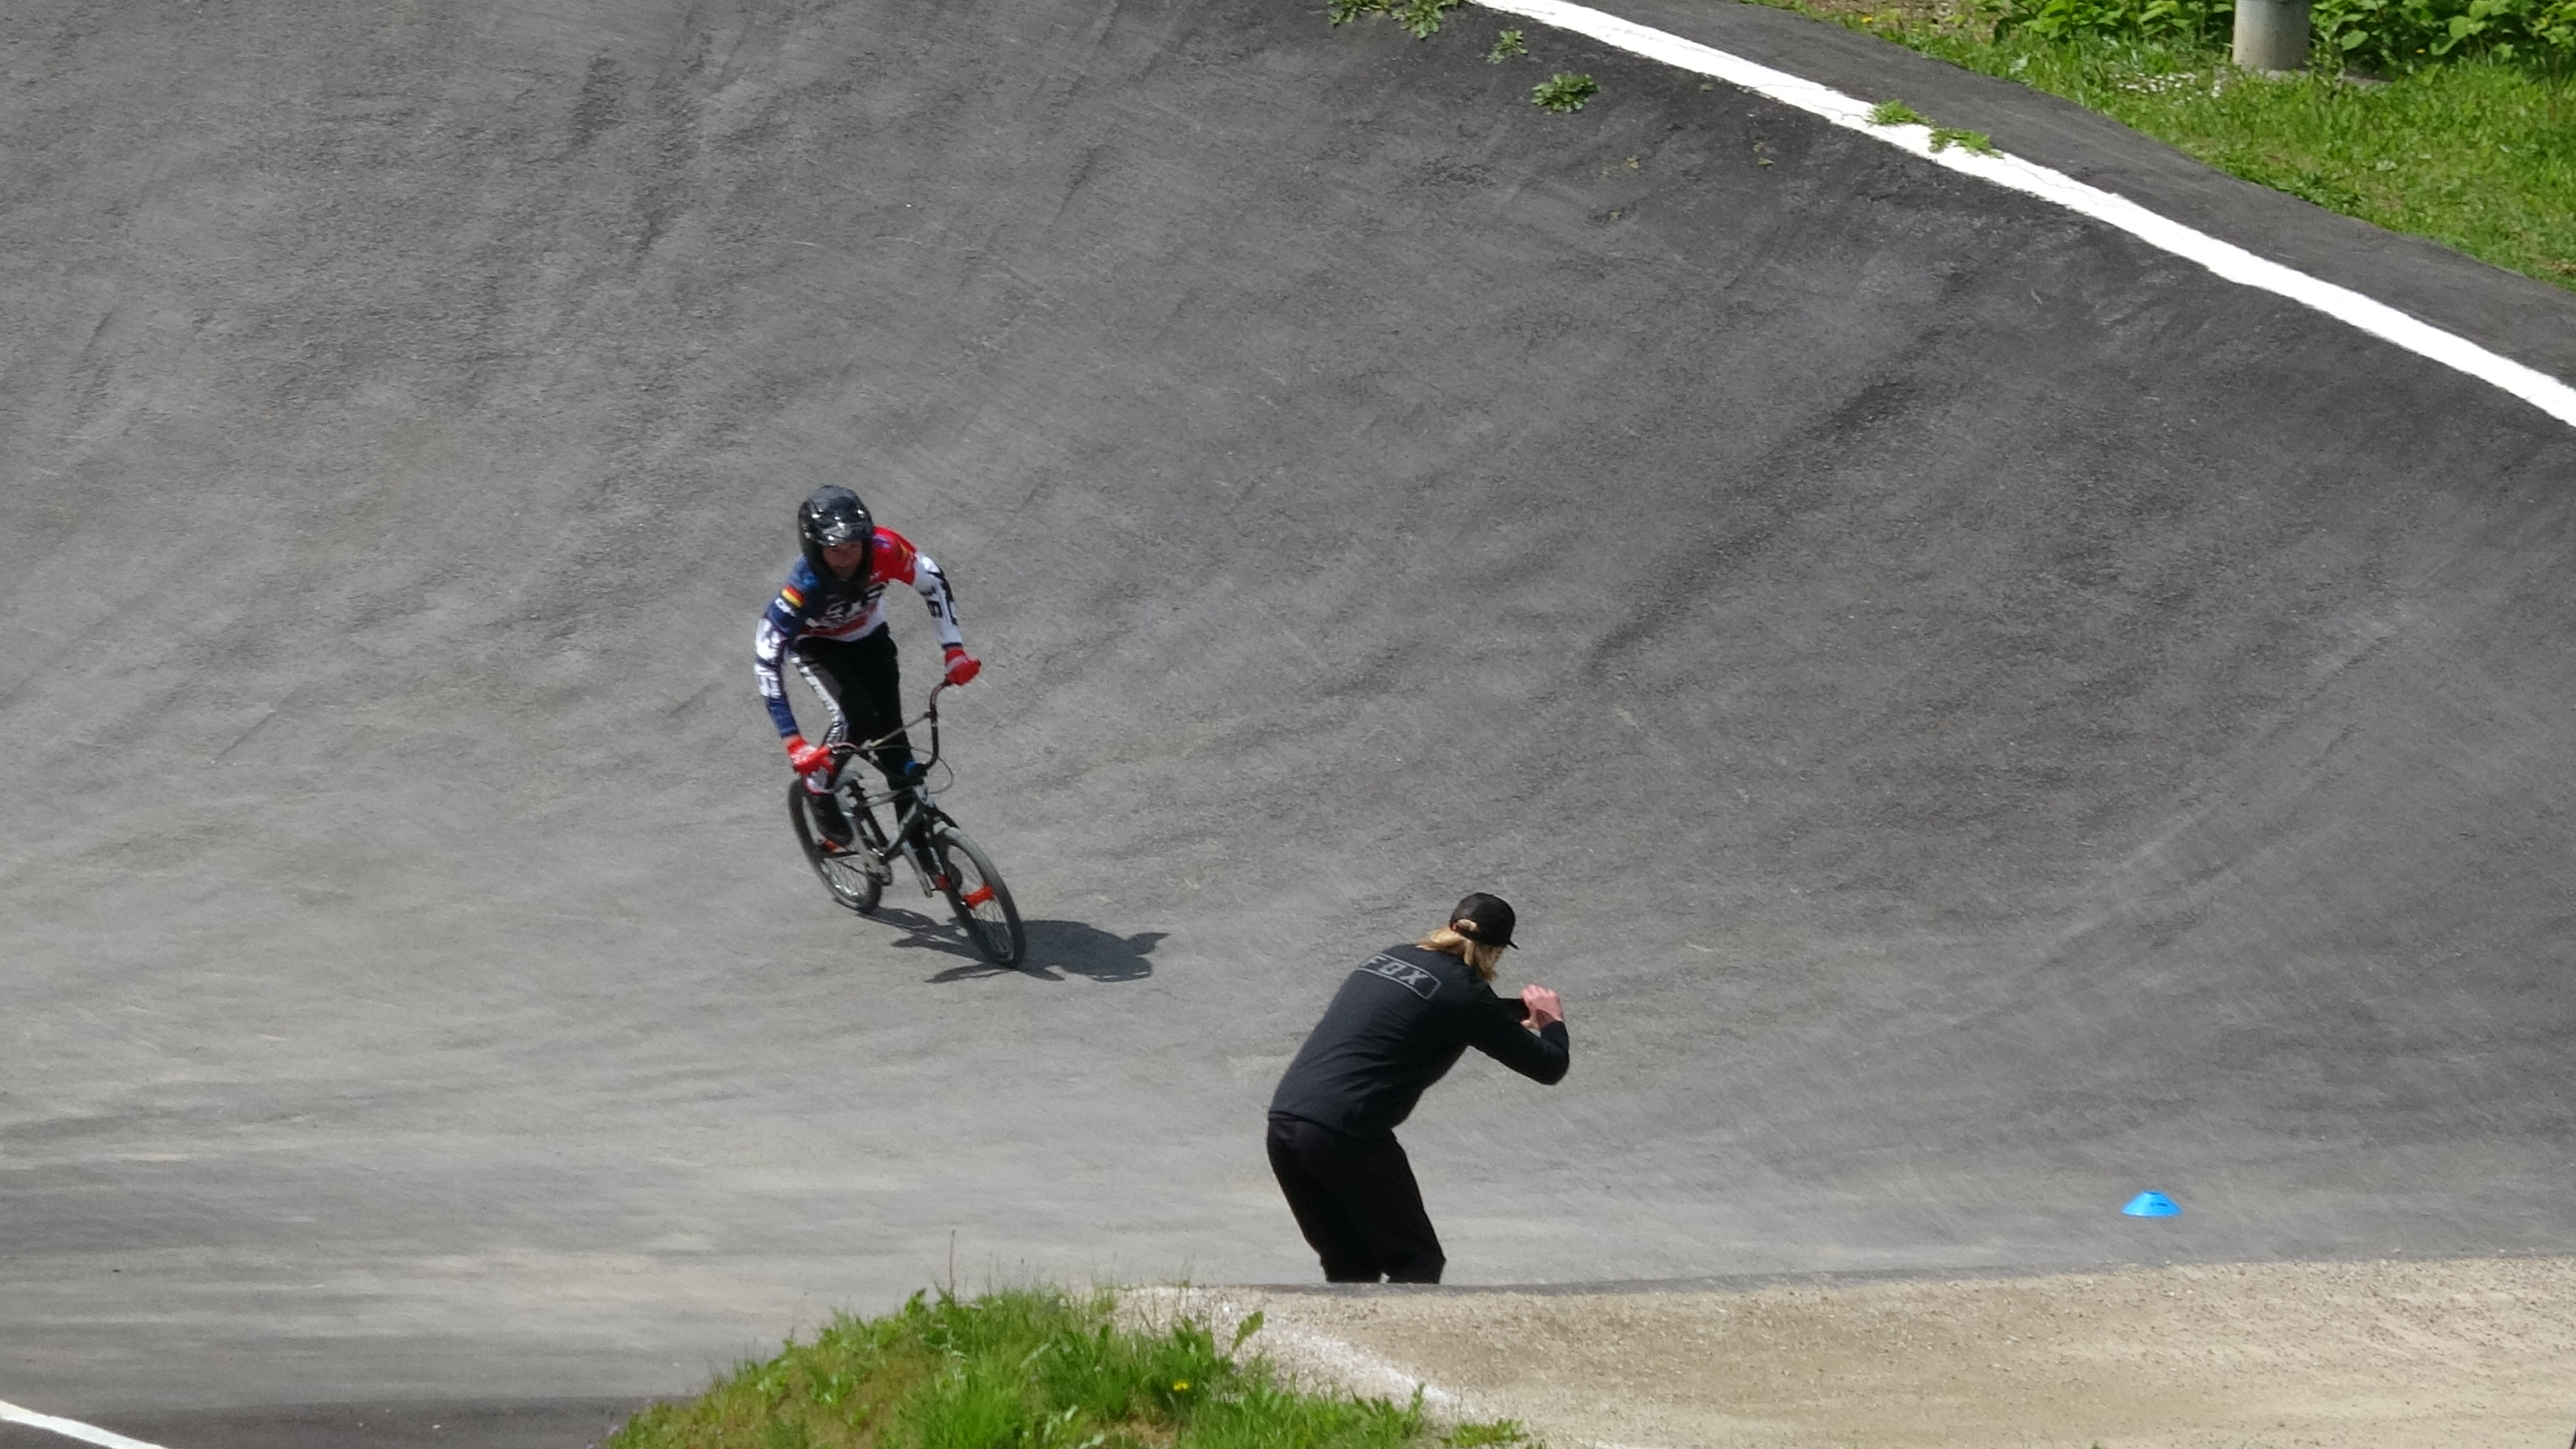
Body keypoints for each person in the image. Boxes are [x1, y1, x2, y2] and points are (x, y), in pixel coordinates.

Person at [1266, 892, 1570, 1284]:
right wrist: (1553, 1022)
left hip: (1286, 1124)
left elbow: (1443, 1007)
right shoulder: (1464, 993)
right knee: (1417, 1263)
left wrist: (1511, 1014)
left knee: (1351, 1266)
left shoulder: (1390, 957)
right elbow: (1549, 1066)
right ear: (1495, 952)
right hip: (1345, 1132)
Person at [753, 485, 980, 843]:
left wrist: (954, 650)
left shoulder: (886, 549)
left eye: (854, 547)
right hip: (819, 646)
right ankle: (818, 786)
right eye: (835, 550)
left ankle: (926, 855)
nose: (847, 558)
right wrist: (793, 741)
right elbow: (766, 661)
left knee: (895, 746)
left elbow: (932, 580)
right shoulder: (802, 588)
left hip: (870, 638)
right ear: (816, 549)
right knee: (857, 718)